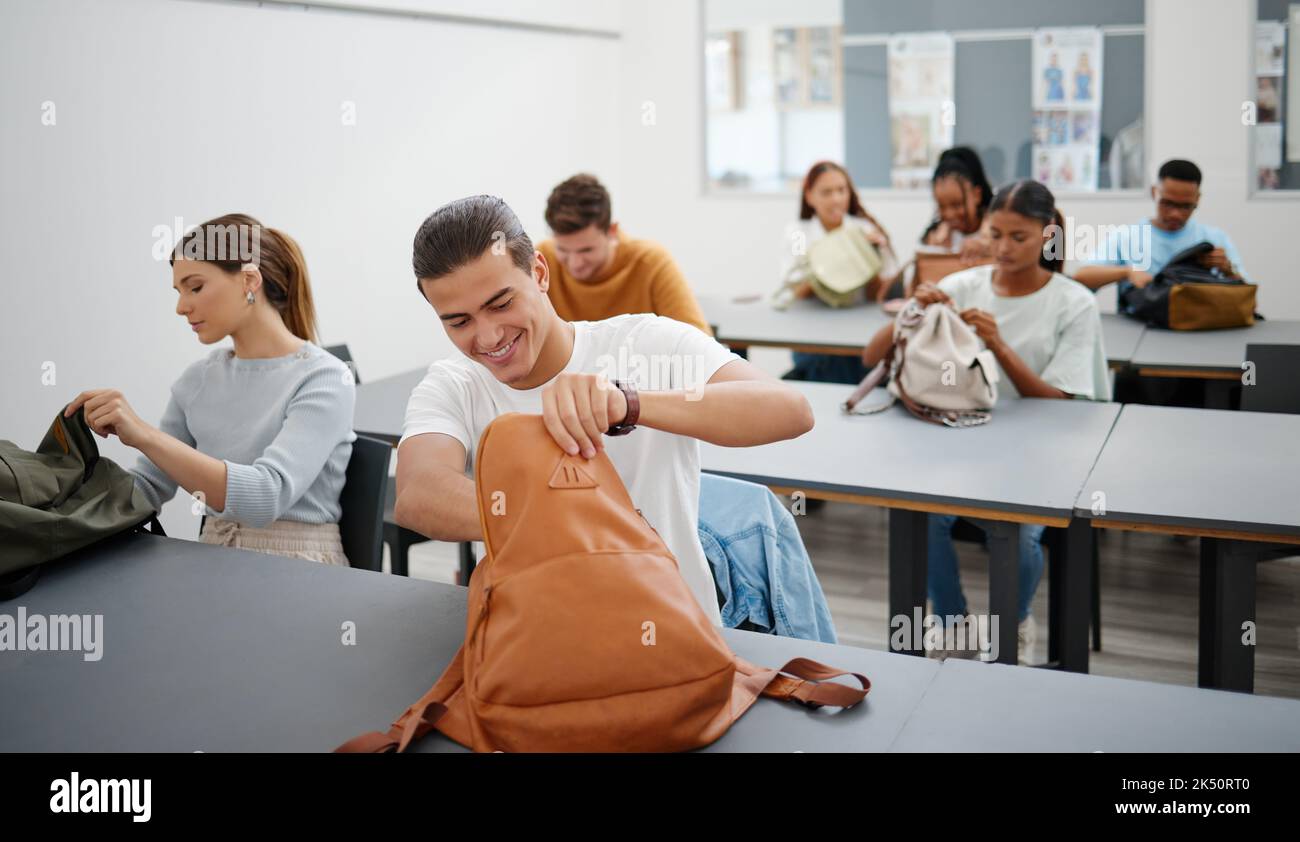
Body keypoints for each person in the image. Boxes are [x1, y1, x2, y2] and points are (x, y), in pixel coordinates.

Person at [394, 195, 815, 625]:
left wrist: (629, 403)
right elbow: (416, 493)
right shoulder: (453, 384)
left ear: (539, 273)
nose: (488, 336)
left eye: (501, 304)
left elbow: (790, 410)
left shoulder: (649, 343)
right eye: (458, 322)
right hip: (534, 646)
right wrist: (555, 513)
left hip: (672, 639)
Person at [863, 180, 1110, 662]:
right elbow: (870, 355)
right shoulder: (963, 286)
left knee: (1019, 535)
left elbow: (1063, 401)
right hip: (962, 446)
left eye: (1019, 237)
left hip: (1041, 456)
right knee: (920, 516)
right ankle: (954, 624)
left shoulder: (1073, 302)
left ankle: (1011, 623)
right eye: (995, 234)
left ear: (1048, 235)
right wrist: (913, 307)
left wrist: (999, 345)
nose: (1003, 248)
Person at [65, 214, 356, 565]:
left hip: (302, 569)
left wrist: (142, 433)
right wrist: (50, 506)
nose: (181, 306)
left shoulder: (324, 377)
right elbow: (149, 485)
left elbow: (265, 497)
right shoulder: (197, 379)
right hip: (215, 558)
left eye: (195, 287)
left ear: (249, 280)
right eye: (179, 291)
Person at [537, 173, 711, 335]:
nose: (575, 263)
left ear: (612, 231)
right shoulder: (542, 260)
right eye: (563, 250)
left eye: (587, 250)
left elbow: (699, 341)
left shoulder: (651, 262)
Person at [780, 160, 901, 384]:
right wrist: (832, 265)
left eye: (841, 190)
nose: (836, 199)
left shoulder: (865, 230)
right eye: (826, 192)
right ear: (809, 196)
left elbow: (880, 295)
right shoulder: (798, 234)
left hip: (859, 332)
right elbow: (795, 290)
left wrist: (870, 257)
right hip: (813, 335)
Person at [1073, 159, 1250, 303]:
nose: (1175, 214)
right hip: (1142, 329)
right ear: (1154, 193)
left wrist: (1228, 270)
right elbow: (1081, 278)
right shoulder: (1128, 236)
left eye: (1185, 206)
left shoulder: (1213, 238)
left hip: (1200, 328)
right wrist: (1126, 272)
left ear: (1198, 199)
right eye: (1168, 203)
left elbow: (1249, 298)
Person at [918, 147, 995, 266]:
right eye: (941, 206)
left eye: (957, 204)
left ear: (976, 195)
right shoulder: (935, 238)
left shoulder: (996, 232)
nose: (949, 214)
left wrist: (987, 248)